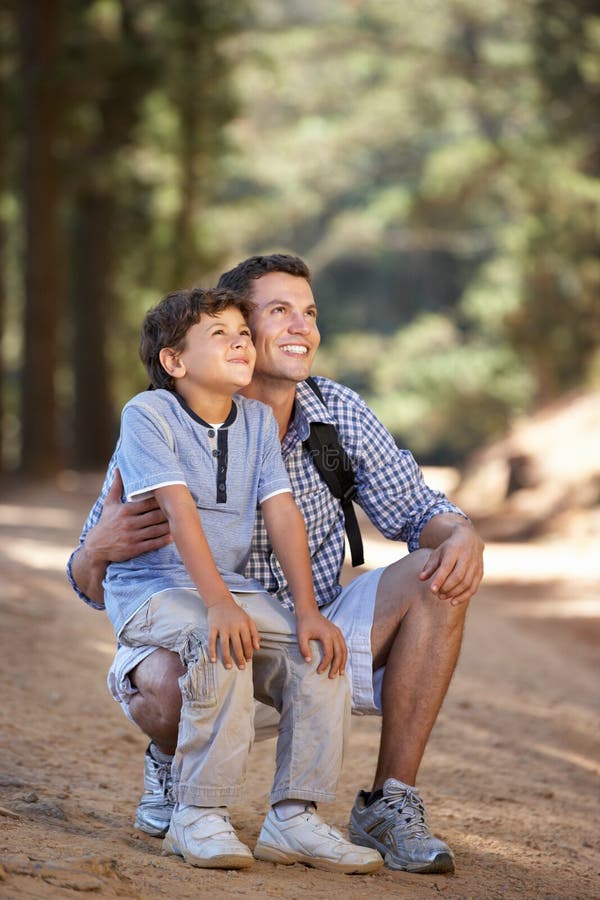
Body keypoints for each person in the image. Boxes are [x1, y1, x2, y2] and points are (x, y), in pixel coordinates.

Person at [68, 254, 484, 875]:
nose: (302, 327)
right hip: (192, 623)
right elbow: (93, 581)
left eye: (310, 312)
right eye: (277, 312)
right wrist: (96, 548)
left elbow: (414, 509)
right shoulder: (156, 416)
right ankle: (183, 779)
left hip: (277, 623)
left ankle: (364, 808)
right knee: (189, 666)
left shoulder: (322, 414)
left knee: (433, 576)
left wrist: (460, 533)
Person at [93, 285, 382, 875]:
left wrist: (306, 609)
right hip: (149, 588)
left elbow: (281, 512)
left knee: (317, 653)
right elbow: (178, 511)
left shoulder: (253, 419)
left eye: (243, 333)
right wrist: (220, 605)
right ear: (174, 362)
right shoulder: (148, 414)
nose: (240, 343)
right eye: (218, 335)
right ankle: (197, 814)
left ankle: (294, 818)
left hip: (225, 585)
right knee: (221, 638)